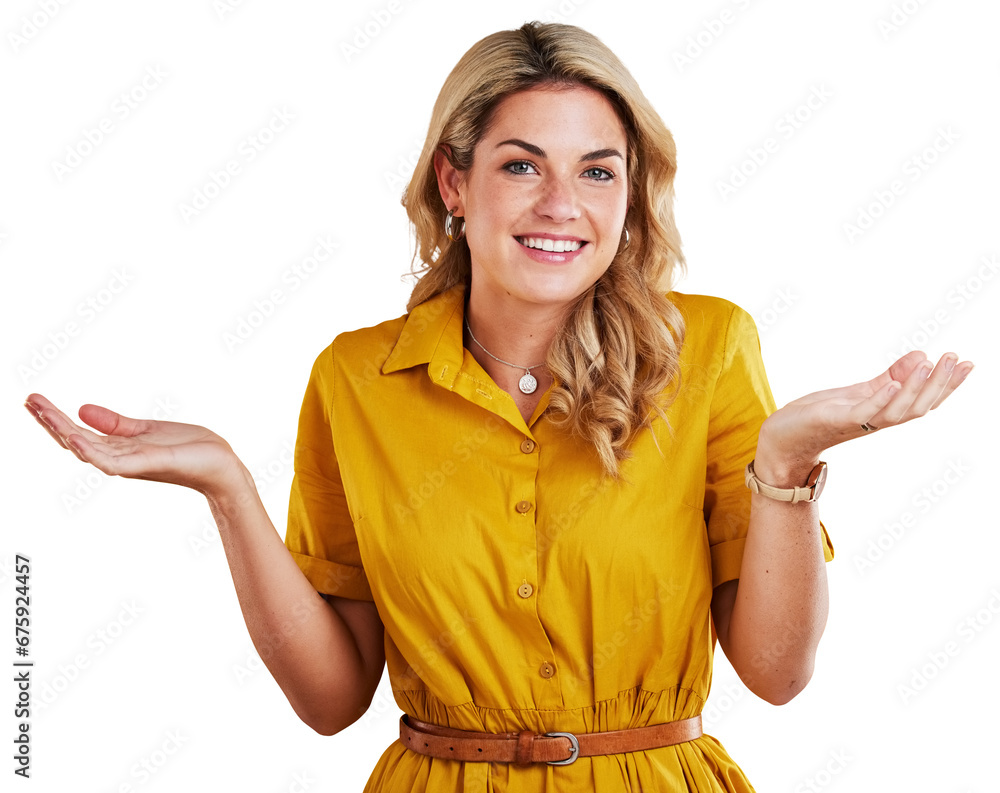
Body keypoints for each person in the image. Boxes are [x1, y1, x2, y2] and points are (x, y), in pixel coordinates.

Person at [24, 21, 972, 793]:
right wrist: (228, 488)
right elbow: (329, 699)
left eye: (598, 171)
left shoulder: (710, 349)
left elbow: (776, 672)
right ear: (454, 182)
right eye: (522, 166)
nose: (563, 202)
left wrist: (788, 466)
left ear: (629, 193)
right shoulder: (357, 381)